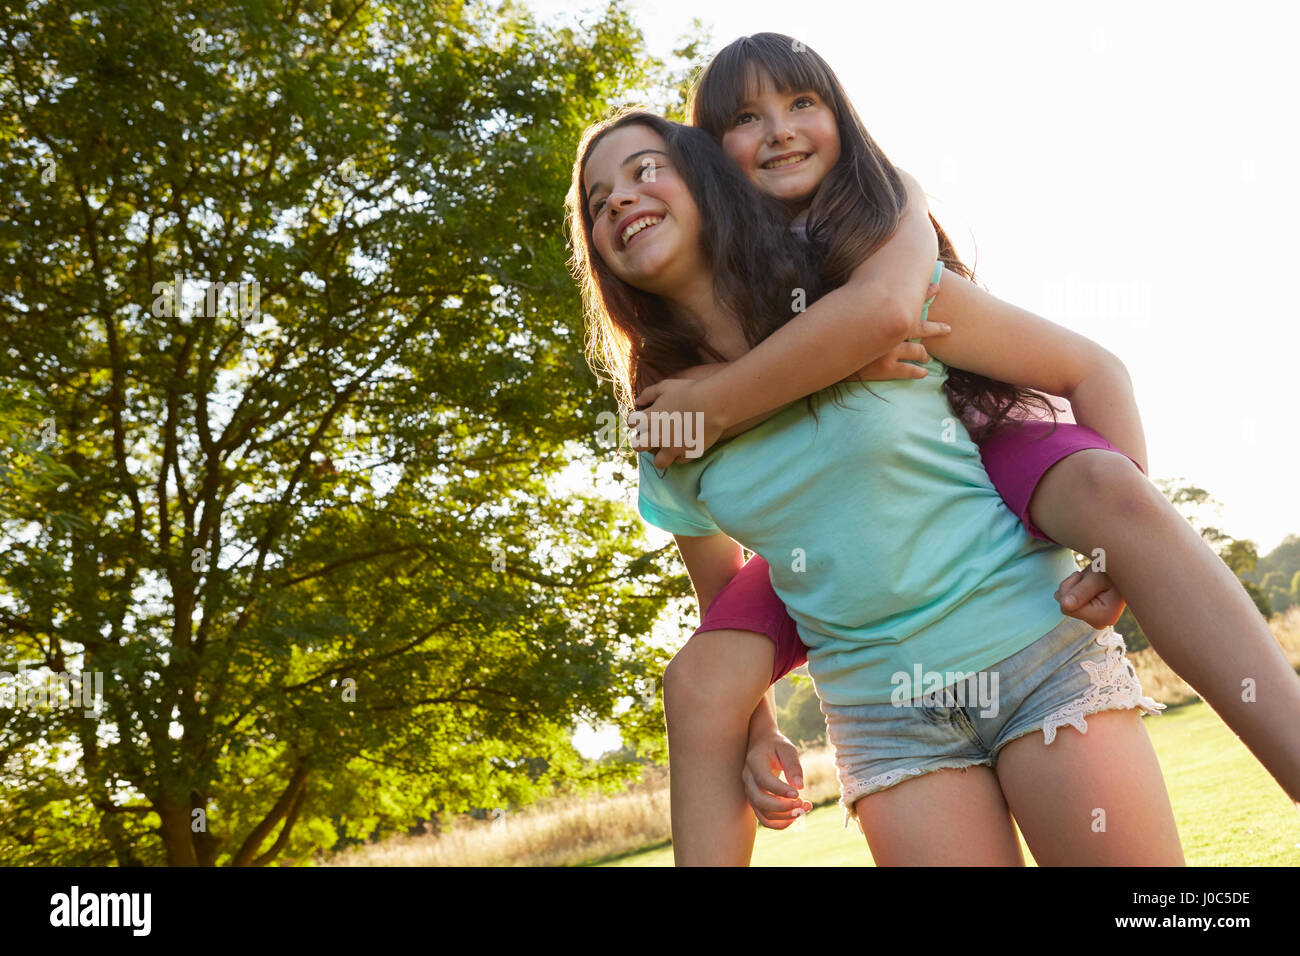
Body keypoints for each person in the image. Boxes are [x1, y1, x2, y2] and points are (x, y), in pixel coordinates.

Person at [629, 35, 1300, 863]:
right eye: (744, 118)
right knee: (697, 680)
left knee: (1104, 489)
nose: (778, 130)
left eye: (802, 103)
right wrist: (753, 723)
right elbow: (708, 555)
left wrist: (759, 390)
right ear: (711, 165)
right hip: (872, 661)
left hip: (990, 479)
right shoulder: (672, 398)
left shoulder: (885, 230)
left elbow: (896, 316)